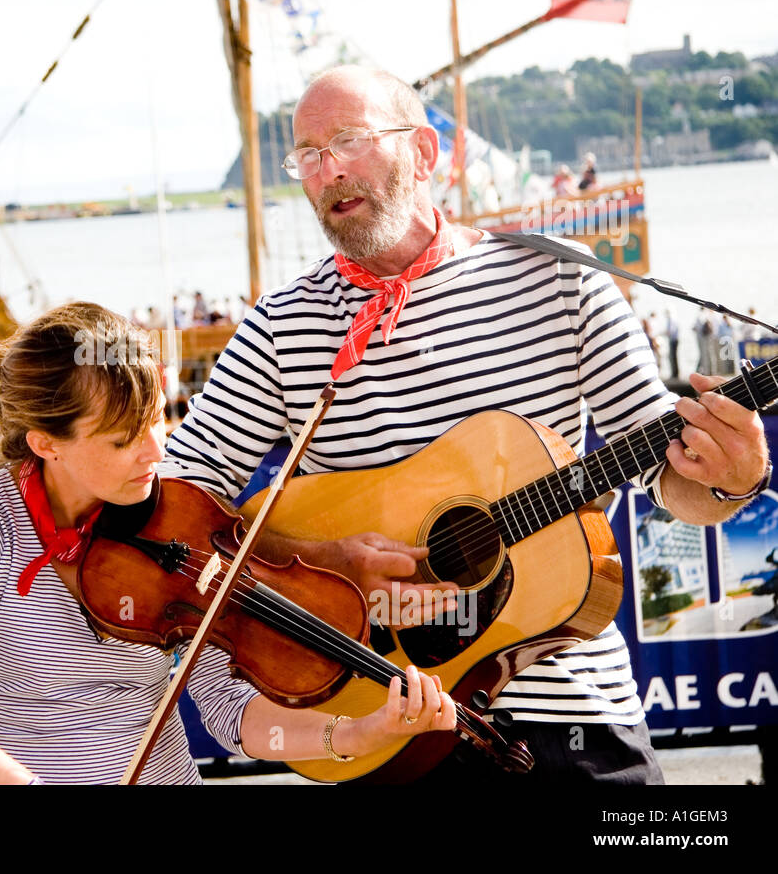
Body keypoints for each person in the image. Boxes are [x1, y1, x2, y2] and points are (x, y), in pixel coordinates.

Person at [162, 65, 770, 784]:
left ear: (424, 153)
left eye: (349, 141)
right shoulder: (280, 327)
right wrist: (324, 563)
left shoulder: (561, 279)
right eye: (308, 155)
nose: (327, 172)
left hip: (577, 722)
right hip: (385, 727)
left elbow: (670, 480)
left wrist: (735, 480)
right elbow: (174, 508)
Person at [0, 302, 455, 784]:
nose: (157, 452)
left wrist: (354, 735)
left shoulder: (178, 515)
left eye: (158, 419)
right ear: (45, 444)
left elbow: (229, 709)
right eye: (123, 440)